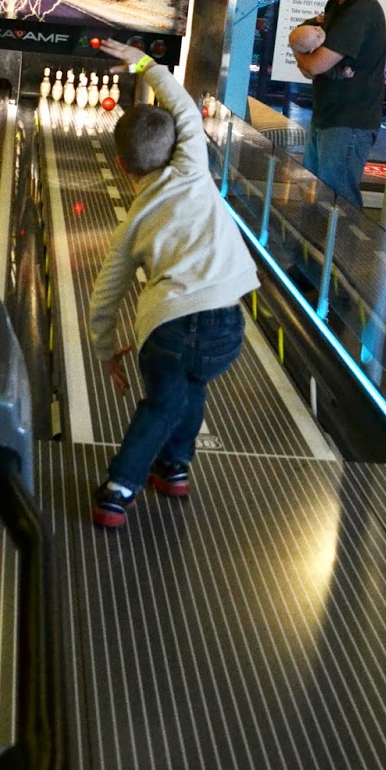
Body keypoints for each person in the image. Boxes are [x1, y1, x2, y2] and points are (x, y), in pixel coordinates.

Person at [87, 39, 259, 529]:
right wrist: (143, 62)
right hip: (225, 327)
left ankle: (120, 487)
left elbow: (106, 294)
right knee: (192, 386)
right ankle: (174, 467)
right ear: (181, 146)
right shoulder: (193, 169)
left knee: (162, 403)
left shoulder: (133, 221)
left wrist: (105, 352)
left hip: (164, 329)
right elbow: (182, 105)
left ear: (123, 166)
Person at [289, 0, 386, 210]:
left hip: (349, 121)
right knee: (314, 191)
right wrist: (300, 42)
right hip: (328, 115)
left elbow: (314, 66)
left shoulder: (358, 12)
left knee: (337, 200)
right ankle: (313, 250)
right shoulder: (338, 4)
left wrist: (297, 50)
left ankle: (340, 252)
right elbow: (308, 44)